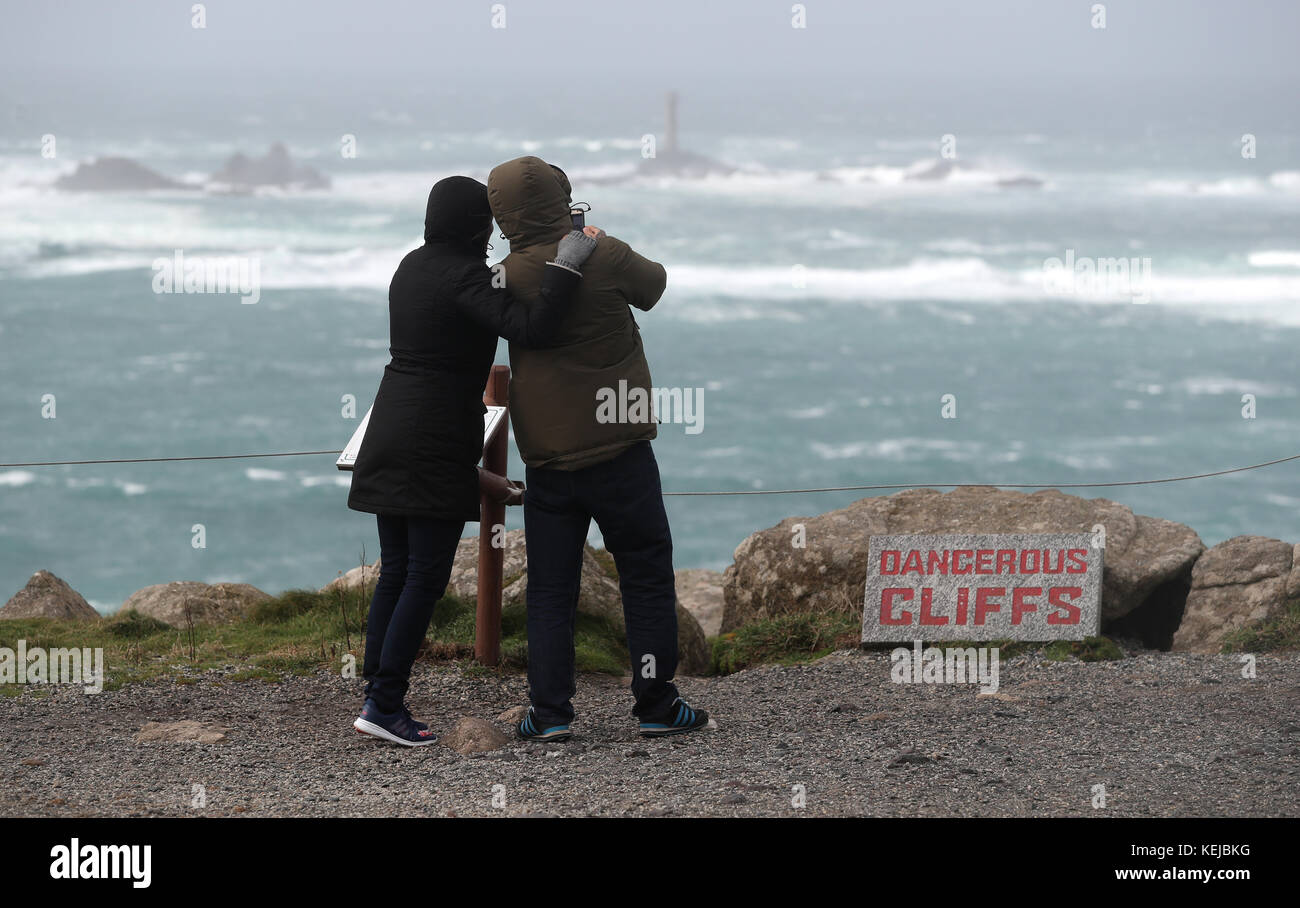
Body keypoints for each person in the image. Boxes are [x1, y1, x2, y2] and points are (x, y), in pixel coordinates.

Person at [346, 174, 601, 746]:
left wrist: (481, 478)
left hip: (389, 422)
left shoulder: (410, 265)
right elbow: (531, 329)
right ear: (476, 224)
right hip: (432, 435)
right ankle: (385, 702)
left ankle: (376, 695)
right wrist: (566, 262)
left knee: (398, 570)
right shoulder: (465, 274)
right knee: (425, 576)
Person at [485, 156, 709, 741]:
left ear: (501, 213)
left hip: (550, 460)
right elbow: (655, 285)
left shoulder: (505, 274)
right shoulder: (599, 253)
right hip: (622, 446)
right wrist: (599, 242)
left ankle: (552, 713)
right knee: (645, 575)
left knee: (552, 589)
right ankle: (657, 706)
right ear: (563, 198)